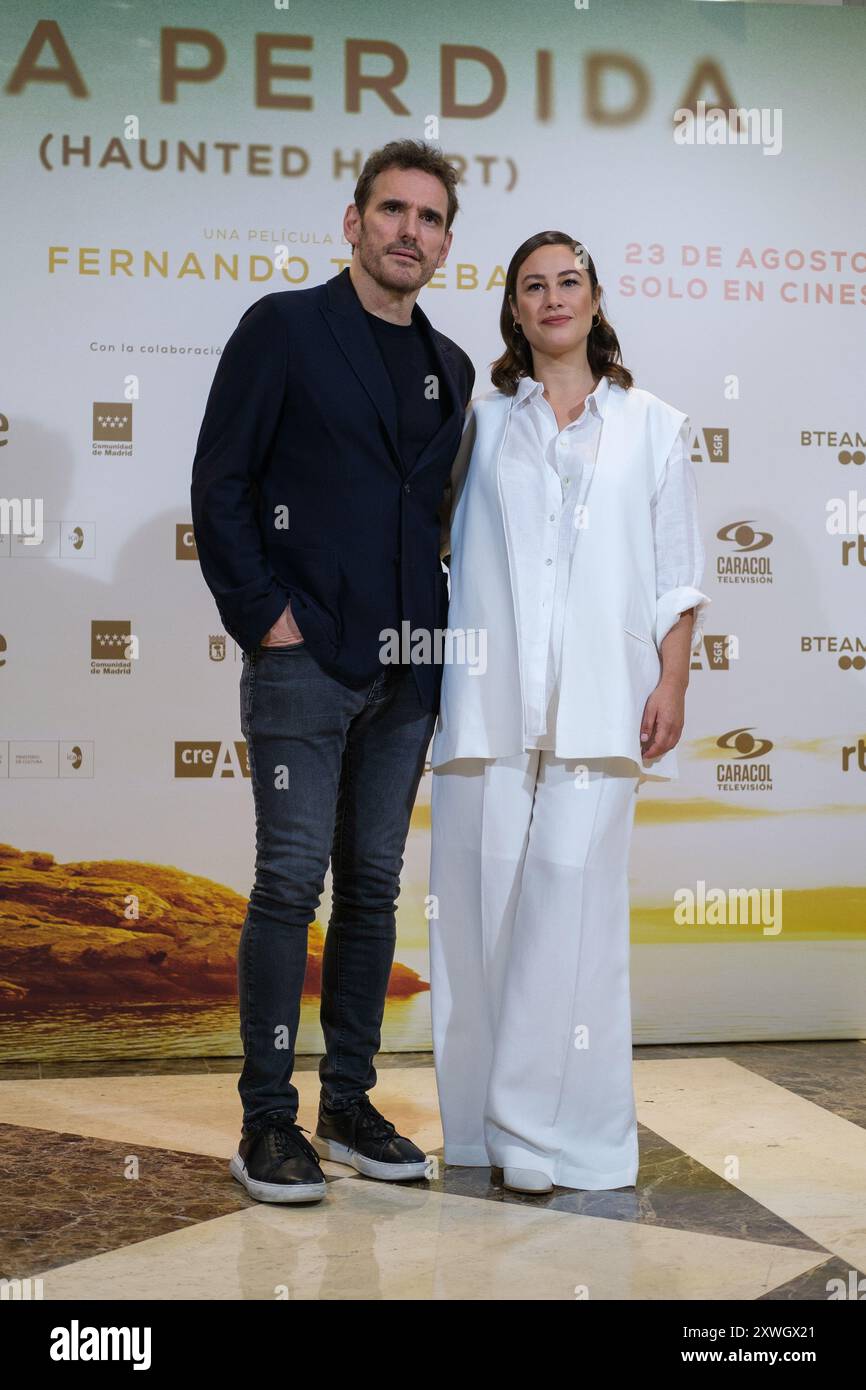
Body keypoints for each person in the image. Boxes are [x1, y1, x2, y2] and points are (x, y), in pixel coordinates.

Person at [190, 140, 475, 1204]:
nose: (410, 230)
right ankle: (267, 1120)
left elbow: (433, 519)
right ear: (352, 223)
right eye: (392, 210)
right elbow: (221, 482)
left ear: (446, 241)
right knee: (285, 885)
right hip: (304, 661)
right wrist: (266, 618)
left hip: (407, 672)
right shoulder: (283, 328)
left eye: (430, 217)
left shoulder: (448, 364)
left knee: (370, 890)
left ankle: (346, 1101)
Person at [429, 231, 710, 1194]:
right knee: (480, 919)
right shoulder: (478, 420)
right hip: (487, 702)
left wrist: (671, 683)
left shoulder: (657, 427)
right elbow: (431, 548)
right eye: (532, 286)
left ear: (596, 299)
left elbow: (678, 578)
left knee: (569, 909)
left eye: (569, 282)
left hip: (603, 702)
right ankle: (481, 1133)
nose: (552, 298)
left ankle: (559, 1139)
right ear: (513, 308)